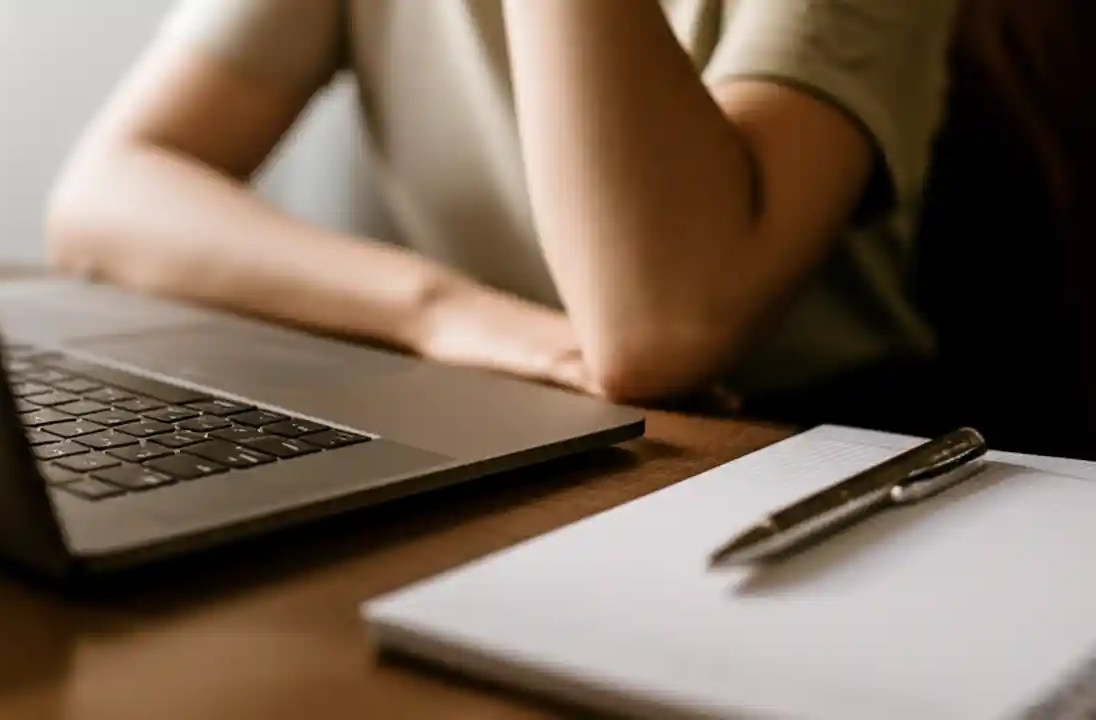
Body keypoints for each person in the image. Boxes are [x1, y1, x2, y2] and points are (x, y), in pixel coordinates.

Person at [47, 0, 957, 411]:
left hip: (796, 437)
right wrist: (438, 312)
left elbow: (660, 324)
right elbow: (105, 190)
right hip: (504, 399)